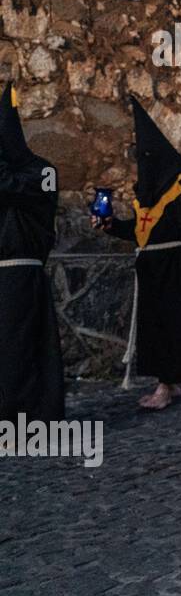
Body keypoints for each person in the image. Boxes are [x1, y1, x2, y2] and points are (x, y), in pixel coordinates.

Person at [93, 97, 181, 410]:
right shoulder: (146, 192)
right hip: (151, 266)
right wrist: (110, 225)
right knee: (155, 325)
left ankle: (165, 384)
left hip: (178, 263)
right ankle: (167, 382)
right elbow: (139, 231)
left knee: (174, 323)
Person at [0, 81, 64, 424]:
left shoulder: (43, 172)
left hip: (18, 275)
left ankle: (18, 420)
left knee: (17, 350)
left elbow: (10, 188)